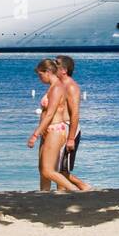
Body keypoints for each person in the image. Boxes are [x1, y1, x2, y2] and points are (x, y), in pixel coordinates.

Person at [27, 58, 79, 192]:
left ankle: (74, 190)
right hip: (47, 131)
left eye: (40, 75)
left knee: (48, 170)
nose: (39, 78)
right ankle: (44, 195)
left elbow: (50, 114)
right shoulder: (52, 87)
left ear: (48, 72)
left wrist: (35, 134)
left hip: (55, 130)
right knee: (42, 169)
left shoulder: (57, 88)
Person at [53, 54, 91, 191]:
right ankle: (61, 193)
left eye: (56, 64)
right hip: (60, 130)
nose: (52, 66)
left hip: (70, 129)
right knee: (56, 167)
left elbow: (75, 114)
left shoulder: (71, 87)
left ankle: (84, 187)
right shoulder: (58, 85)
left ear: (64, 70)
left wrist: (70, 138)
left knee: (62, 170)